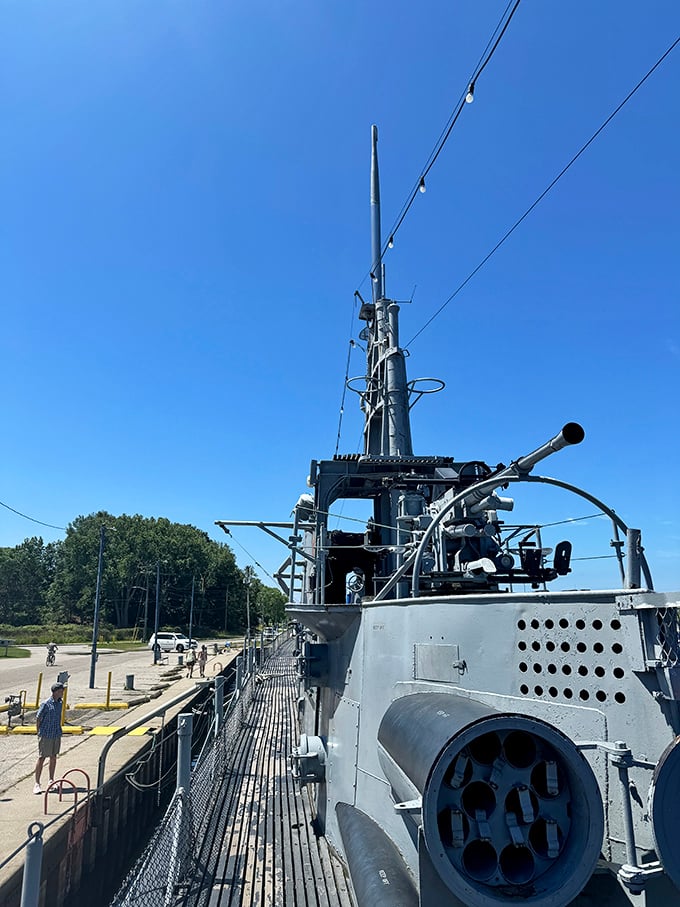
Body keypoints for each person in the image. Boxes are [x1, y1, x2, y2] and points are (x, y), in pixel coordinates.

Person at [34, 682, 65, 794]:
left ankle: (51, 780)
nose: (63, 693)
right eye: (61, 691)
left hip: (56, 734)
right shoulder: (46, 704)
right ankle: (37, 783)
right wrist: (39, 733)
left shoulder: (60, 703)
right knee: (42, 757)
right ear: (56, 691)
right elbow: (38, 718)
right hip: (46, 734)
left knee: (53, 757)